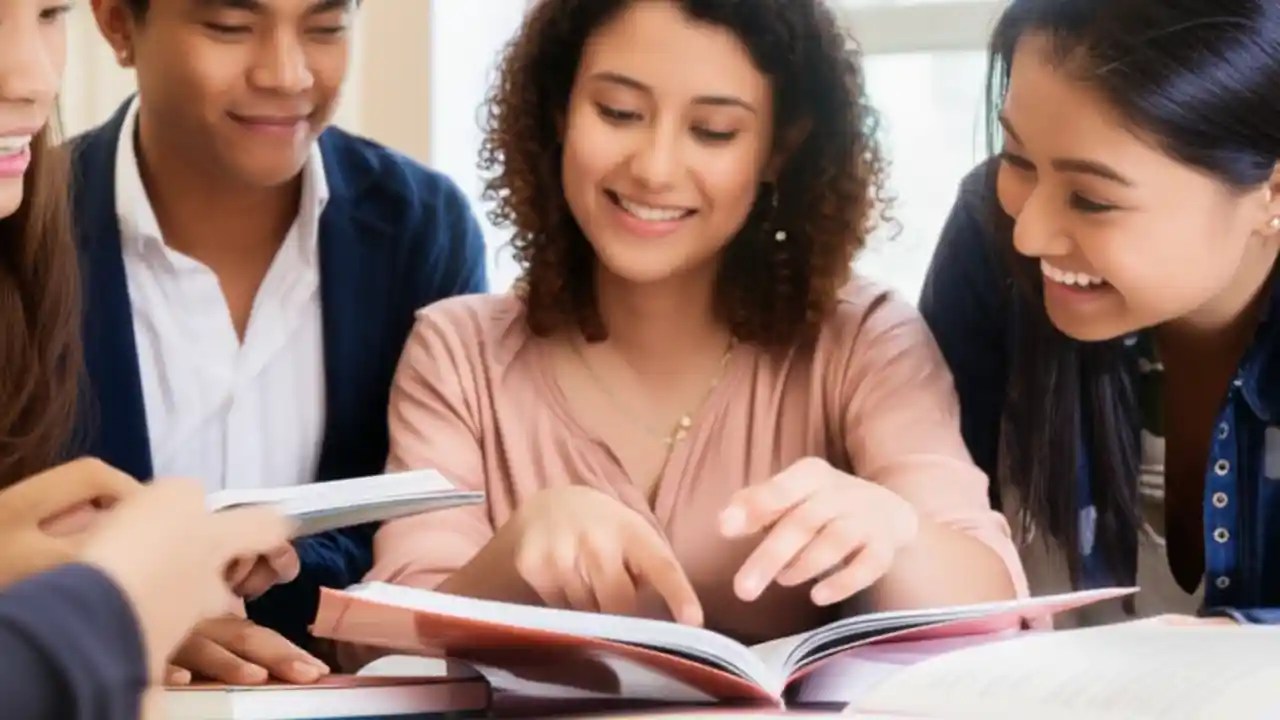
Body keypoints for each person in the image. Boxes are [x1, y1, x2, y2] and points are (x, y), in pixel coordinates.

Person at [345, 0, 1026, 661]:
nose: (655, 167)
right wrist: (513, 555)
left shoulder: (864, 340)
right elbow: (373, 646)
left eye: (713, 131)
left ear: (779, 149)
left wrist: (896, 533)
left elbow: (999, 608)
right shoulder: (458, 353)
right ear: (559, 110)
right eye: (618, 113)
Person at [70, 0, 490, 682]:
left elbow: (430, 525)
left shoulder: (423, 232)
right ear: (119, 22)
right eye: (230, 28)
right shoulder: (22, 230)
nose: (288, 74)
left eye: (325, 27)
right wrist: (127, 617)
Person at [919, 0, 1280, 625]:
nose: (1028, 235)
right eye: (1018, 159)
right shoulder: (989, 242)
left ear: (1271, 192)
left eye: (1091, 199)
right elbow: (933, 544)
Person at [0, 1, 293, 716]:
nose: (33, 79)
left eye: (47, 12)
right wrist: (88, 617)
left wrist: (103, 607)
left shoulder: (28, 267)